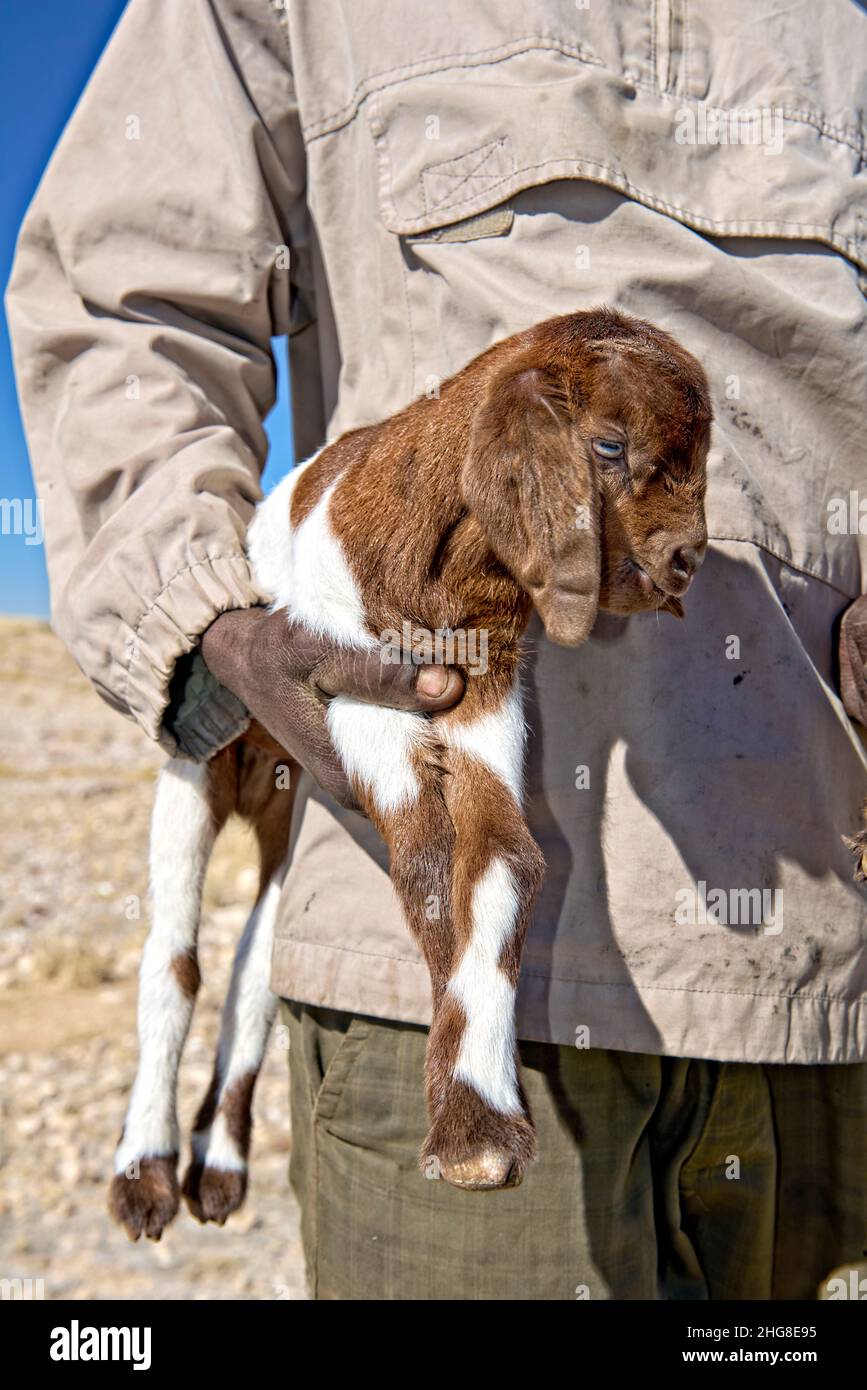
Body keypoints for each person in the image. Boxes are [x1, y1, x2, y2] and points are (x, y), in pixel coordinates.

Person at [7, 0, 867, 1301]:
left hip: (826, 973)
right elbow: (119, 288)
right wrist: (208, 622)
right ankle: (176, 1117)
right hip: (451, 978)